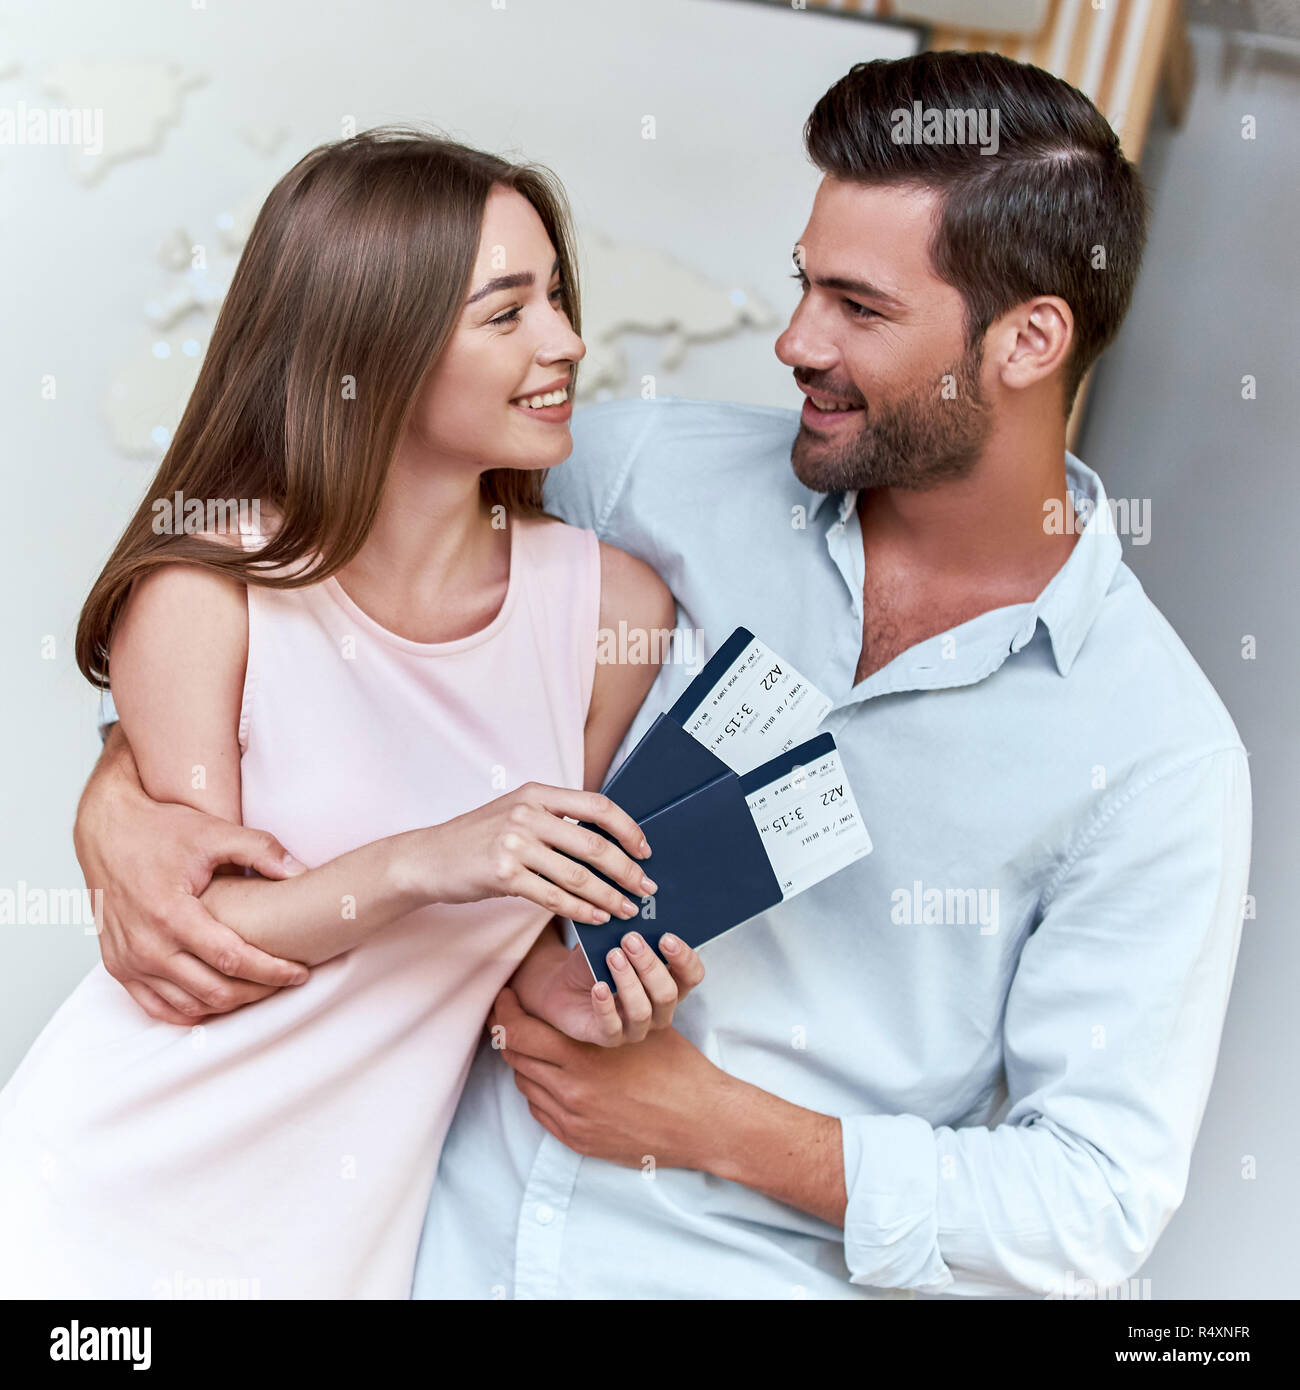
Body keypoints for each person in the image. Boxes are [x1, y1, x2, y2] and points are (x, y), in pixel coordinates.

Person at [73, 53, 1251, 1301]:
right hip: (403, 1250)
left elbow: (1094, 1202)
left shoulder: (1156, 758)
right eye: (806, 284)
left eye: (859, 307)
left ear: (1028, 341)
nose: (795, 340)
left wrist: (715, 1122)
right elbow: (306, 594)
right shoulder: (640, 478)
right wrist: (126, 803)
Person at [0, 128, 705, 1299]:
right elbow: (205, 939)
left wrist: (587, 997)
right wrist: (432, 858)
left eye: (559, 298)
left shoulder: (607, 611)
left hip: (341, 1249)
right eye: (506, 312)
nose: (566, 342)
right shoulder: (208, 590)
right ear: (371, 348)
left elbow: (513, 945)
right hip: (97, 1209)